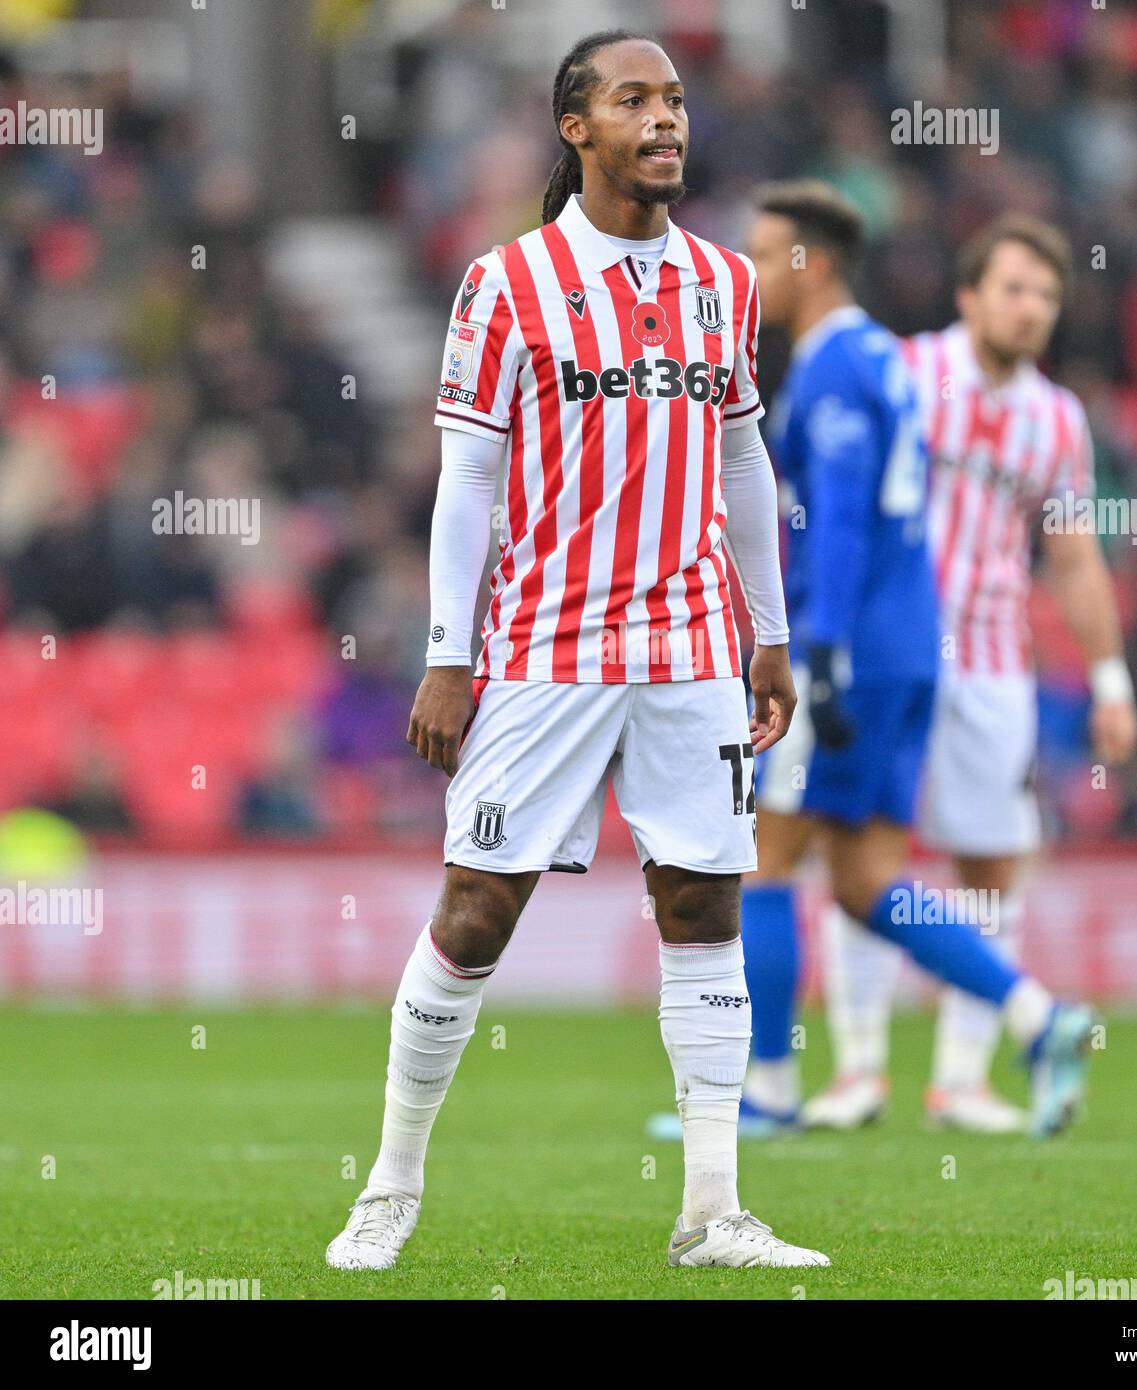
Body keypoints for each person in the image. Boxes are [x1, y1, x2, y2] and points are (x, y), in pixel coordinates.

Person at [326, 30, 829, 1272]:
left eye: (672, 99)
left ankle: (712, 1208)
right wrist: (452, 653)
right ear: (575, 127)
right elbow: (468, 479)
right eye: (632, 100)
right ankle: (390, 1184)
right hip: (547, 647)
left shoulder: (723, 281)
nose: (665, 119)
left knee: (703, 898)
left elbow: (740, 463)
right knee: (477, 906)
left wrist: (768, 634)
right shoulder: (507, 283)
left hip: (694, 646)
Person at [802, 213, 1137, 1134]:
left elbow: (1072, 556)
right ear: (969, 295)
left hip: (994, 665)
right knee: (861, 848)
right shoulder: (908, 373)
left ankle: (960, 1082)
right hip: (892, 651)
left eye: (1046, 295)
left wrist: (1109, 679)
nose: (1031, 309)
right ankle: (857, 1072)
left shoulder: (1058, 420)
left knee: (992, 862)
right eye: (1015, 288)